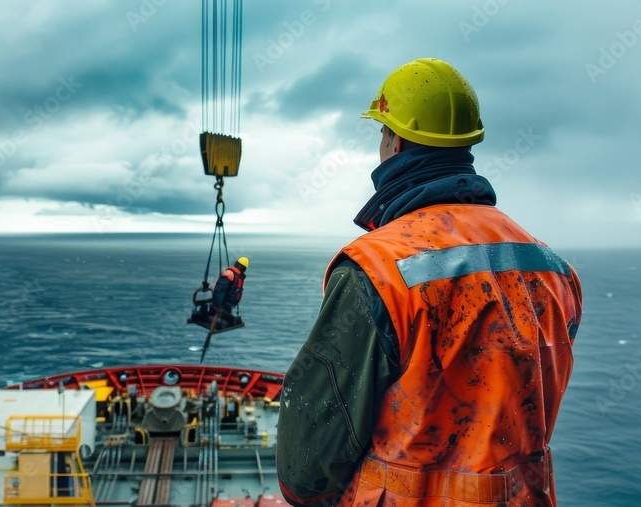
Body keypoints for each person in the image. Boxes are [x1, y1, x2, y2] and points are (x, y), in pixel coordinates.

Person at [276, 58, 582, 507]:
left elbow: (308, 463)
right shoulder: (552, 268)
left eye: (382, 133)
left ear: (394, 142)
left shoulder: (378, 267)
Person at [212, 256, 249, 327]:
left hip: (229, 304)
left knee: (231, 320)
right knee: (232, 320)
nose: (244, 269)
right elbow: (219, 291)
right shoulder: (230, 274)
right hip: (223, 305)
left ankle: (225, 319)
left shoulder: (239, 276)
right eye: (243, 267)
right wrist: (218, 306)